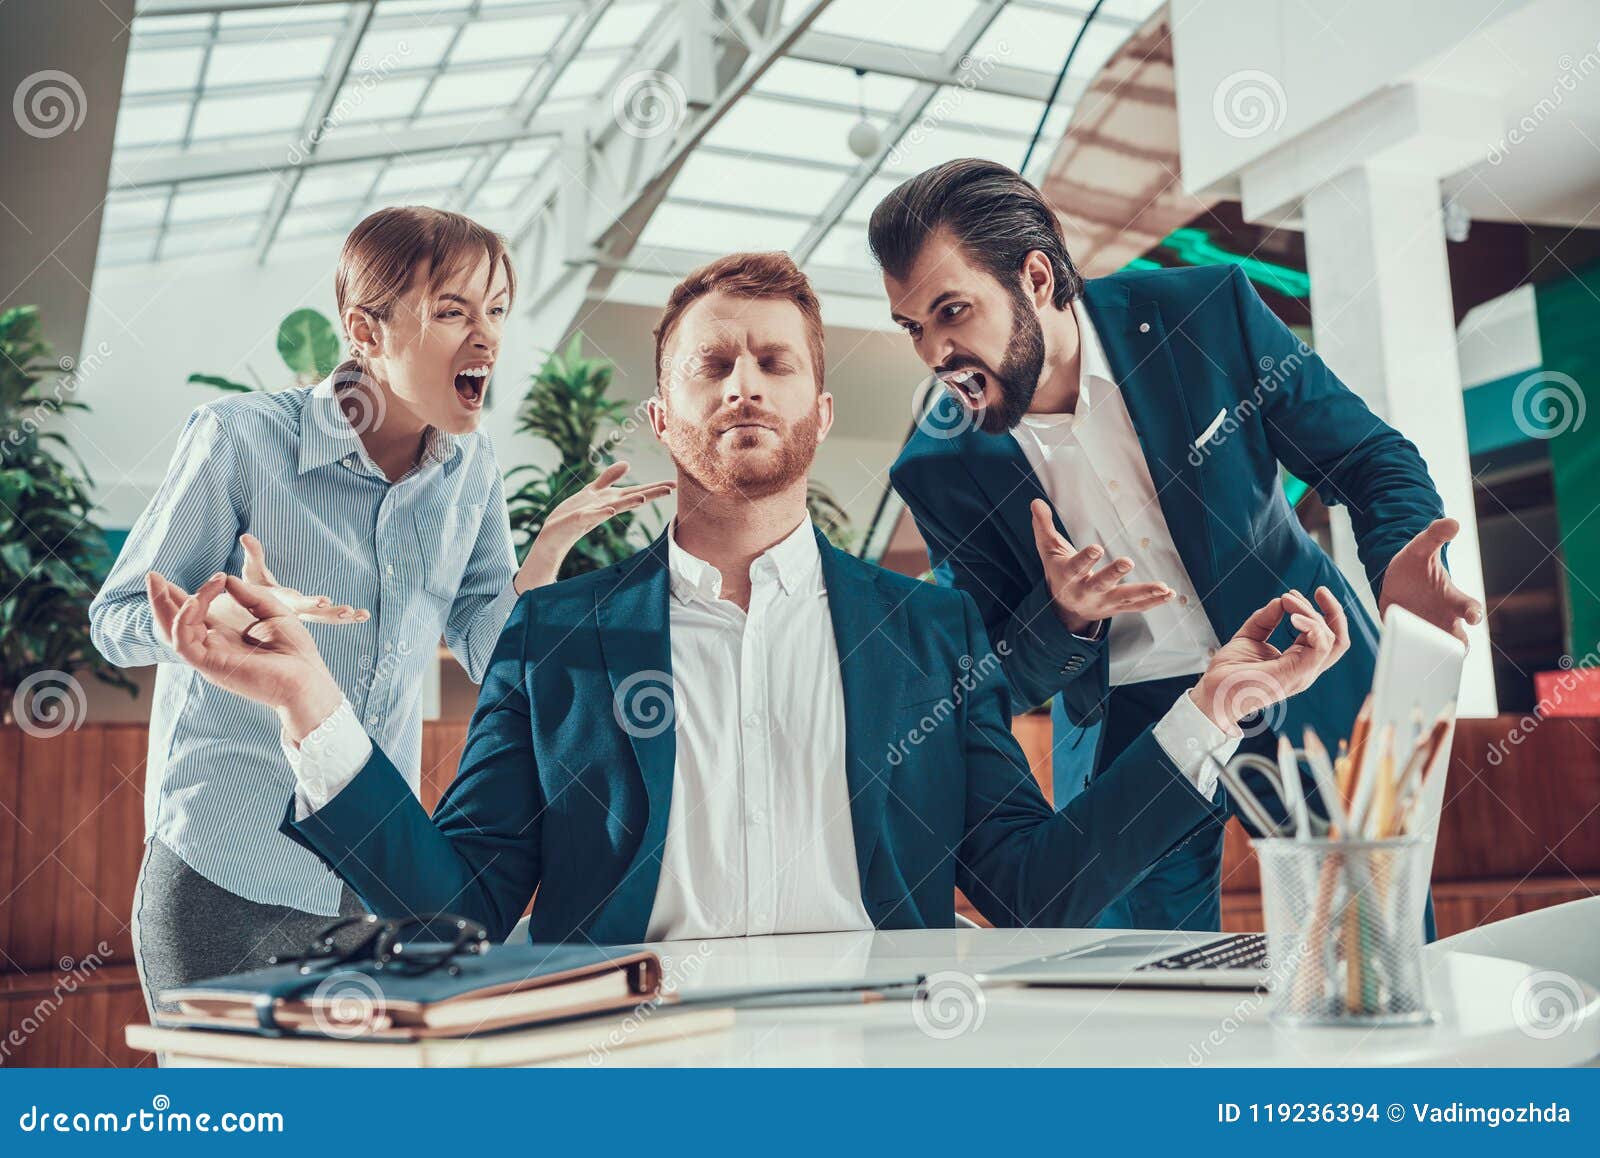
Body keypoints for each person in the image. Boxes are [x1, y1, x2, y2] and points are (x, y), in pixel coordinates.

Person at [142, 251, 1350, 948]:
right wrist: (307, 704)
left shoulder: (927, 635)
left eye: (773, 362)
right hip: (630, 1080)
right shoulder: (556, 640)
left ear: (818, 413)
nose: (742, 386)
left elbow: (1037, 888)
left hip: (881, 1077)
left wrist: (1210, 706)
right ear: (661, 416)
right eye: (709, 365)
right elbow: (457, 904)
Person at [870, 158, 1483, 932]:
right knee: (1142, 982)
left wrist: (1398, 560)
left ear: (1035, 276)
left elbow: (1367, 458)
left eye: (952, 311)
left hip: (1301, 671)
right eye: (913, 327)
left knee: (1367, 952)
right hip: (1127, 739)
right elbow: (992, 680)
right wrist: (1062, 617)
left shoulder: (1205, 315)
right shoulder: (937, 465)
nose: (934, 352)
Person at [89, 207, 673, 1009]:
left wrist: (544, 555)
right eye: (452, 311)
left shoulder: (469, 466)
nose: (486, 336)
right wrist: (226, 617)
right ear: (366, 329)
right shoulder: (238, 439)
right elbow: (118, 619)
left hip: (370, 878)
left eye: (497, 310)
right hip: (223, 874)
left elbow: (490, 653)